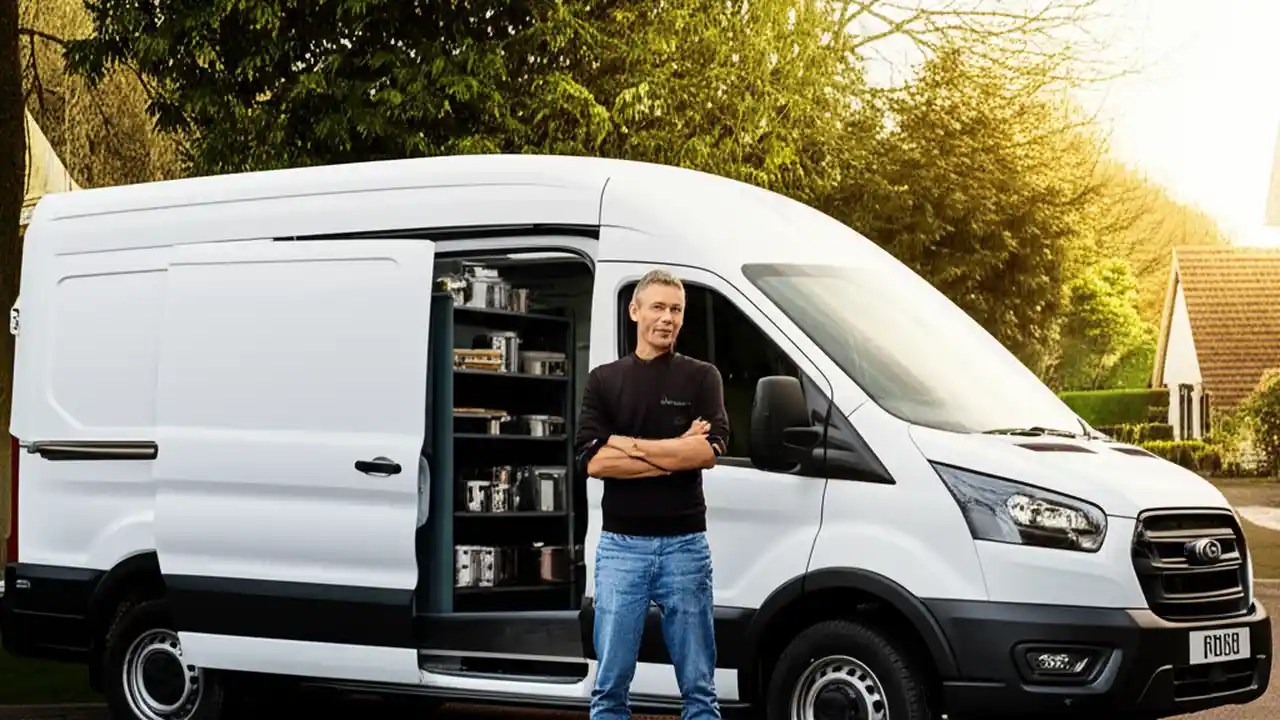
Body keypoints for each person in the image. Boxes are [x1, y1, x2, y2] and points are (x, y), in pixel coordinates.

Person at [575, 269, 730, 720]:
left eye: (676, 310)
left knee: (700, 692)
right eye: (658, 307)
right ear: (635, 310)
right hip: (621, 549)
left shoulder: (703, 378)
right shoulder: (604, 380)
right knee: (610, 689)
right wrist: (675, 448)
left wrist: (630, 444)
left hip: (686, 545)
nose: (668, 318)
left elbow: (705, 453)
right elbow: (595, 463)